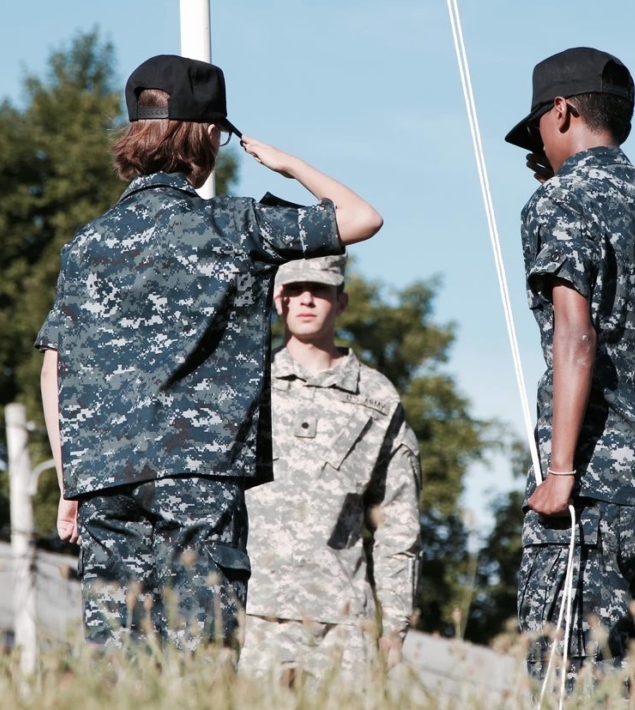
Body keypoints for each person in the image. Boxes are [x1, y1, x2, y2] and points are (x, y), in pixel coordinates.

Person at [35, 54, 383, 653]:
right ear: (210, 138)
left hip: (104, 483)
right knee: (199, 662)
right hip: (199, 478)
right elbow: (362, 217)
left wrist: (71, 483)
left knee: (119, 668)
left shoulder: (86, 244)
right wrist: (288, 163)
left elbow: (54, 369)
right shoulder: (235, 225)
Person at [507, 47, 635, 678]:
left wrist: (561, 471)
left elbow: (576, 337)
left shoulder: (560, 202)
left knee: (568, 674)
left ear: (563, 112)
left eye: (541, 124)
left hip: (592, 488)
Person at [239, 254, 421, 683]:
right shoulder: (247, 382)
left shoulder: (376, 397)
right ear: (276, 300)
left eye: (319, 290)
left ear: (341, 302)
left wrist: (394, 627)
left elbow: (398, 521)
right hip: (253, 614)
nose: (306, 300)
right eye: (294, 290)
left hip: (341, 624)